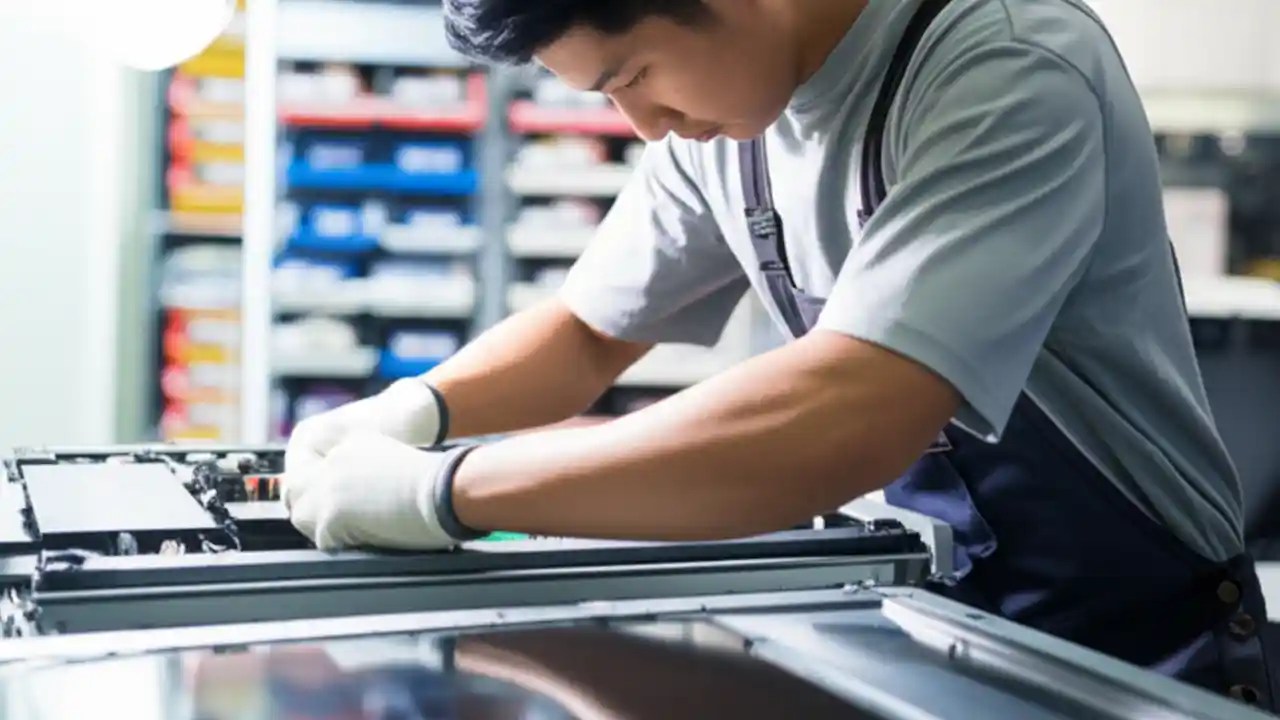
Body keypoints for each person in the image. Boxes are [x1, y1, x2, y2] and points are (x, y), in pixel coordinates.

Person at [282, 0, 1276, 707]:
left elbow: (849, 414)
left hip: (1138, 649)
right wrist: (409, 410)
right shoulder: (729, 126)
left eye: (630, 76)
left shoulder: (1002, 63)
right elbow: (585, 330)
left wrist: (443, 490)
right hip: (948, 626)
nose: (639, 124)